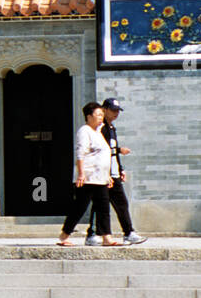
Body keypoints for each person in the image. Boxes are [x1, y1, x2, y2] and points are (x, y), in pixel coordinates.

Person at [85, 97, 147, 246]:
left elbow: (112, 154)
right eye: (112, 110)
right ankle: (92, 234)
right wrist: (119, 150)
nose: (115, 114)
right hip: (102, 174)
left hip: (113, 173)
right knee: (99, 205)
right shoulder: (100, 129)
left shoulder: (112, 129)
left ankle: (129, 232)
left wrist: (120, 169)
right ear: (104, 110)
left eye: (117, 111)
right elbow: (101, 151)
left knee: (122, 204)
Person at [58, 102, 121, 247]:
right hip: (87, 178)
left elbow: (103, 156)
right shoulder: (84, 131)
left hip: (100, 179)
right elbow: (80, 153)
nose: (101, 117)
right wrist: (81, 174)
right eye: (98, 114)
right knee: (79, 207)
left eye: (101, 115)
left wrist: (108, 176)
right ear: (89, 116)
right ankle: (64, 235)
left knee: (103, 208)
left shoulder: (98, 132)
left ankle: (107, 237)